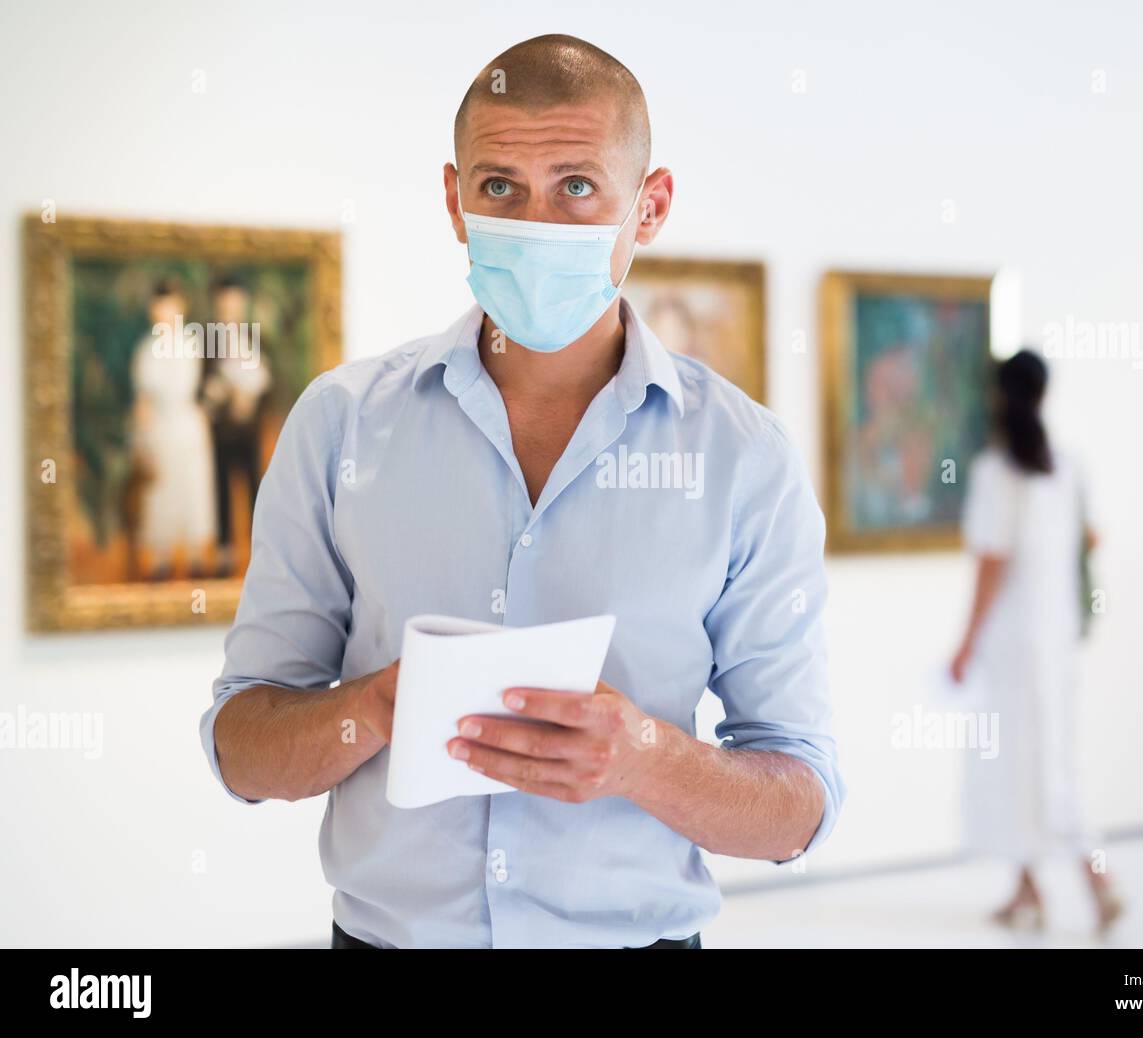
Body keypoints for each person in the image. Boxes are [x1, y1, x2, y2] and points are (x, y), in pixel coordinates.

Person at [199, 35, 844, 949]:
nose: (536, 221)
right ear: (456, 202)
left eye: (577, 186)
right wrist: (376, 708)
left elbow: (800, 806)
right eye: (500, 186)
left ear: (649, 206)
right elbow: (242, 747)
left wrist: (642, 759)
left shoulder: (746, 460)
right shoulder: (340, 425)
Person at [949, 349, 1121, 934]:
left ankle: (1100, 880)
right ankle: (1027, 889)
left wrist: (965, 643)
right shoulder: (1067, 467)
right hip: (1057, 640)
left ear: (1001, 396)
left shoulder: (997, 472)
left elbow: (990, 566)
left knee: (1029, 772)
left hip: (1011, 646)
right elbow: (1092, 537)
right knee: (1042, 766)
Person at [130, 281, 217, 579]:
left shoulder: (194, 343)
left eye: (171, 304)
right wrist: (141, 439)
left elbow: (208, 385)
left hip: (189, 423)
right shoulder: (146, 350)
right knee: (162, 490)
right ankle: (162, 558)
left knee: (192, 486)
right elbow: (143, 400)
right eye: (160, 305)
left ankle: (195, 556)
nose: (165, 311)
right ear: (152, 310)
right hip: (160, 427)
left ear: (181, 306)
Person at [201, 276, 272, 577]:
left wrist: (252, 400)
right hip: (221, 429)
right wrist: (225, 396)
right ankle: (225, 551)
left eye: (235, 301)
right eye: (225, 301)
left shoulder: (257, 339)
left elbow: (270, 382)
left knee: (256, 485)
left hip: (249, 428)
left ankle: (262, 550)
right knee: (221, 487)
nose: (230, 307)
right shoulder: (206, 341)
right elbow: (201, 386)